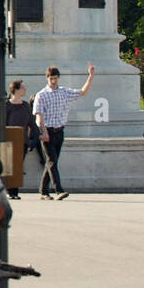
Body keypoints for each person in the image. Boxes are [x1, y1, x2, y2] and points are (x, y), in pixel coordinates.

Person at [31, 63, 94, 201]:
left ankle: (43, 191)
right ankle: (59, 190)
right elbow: (39, 116)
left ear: (58, 78)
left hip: (60, 131)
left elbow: (82, 92)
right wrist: (44, 132)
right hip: (47, 130)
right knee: (52, 161)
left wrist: (90, 77)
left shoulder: (64, 92)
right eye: (50, 78)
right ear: (47, 78)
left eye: (55, 78)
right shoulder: (41, 95)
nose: (53, 81)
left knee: (52, 162)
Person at [0, 80, 29, 201]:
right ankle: (7, 190)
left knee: (17, 166)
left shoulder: (23, 106)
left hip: (20, 139)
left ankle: (14, 191)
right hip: (5, 140)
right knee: (6, 166)